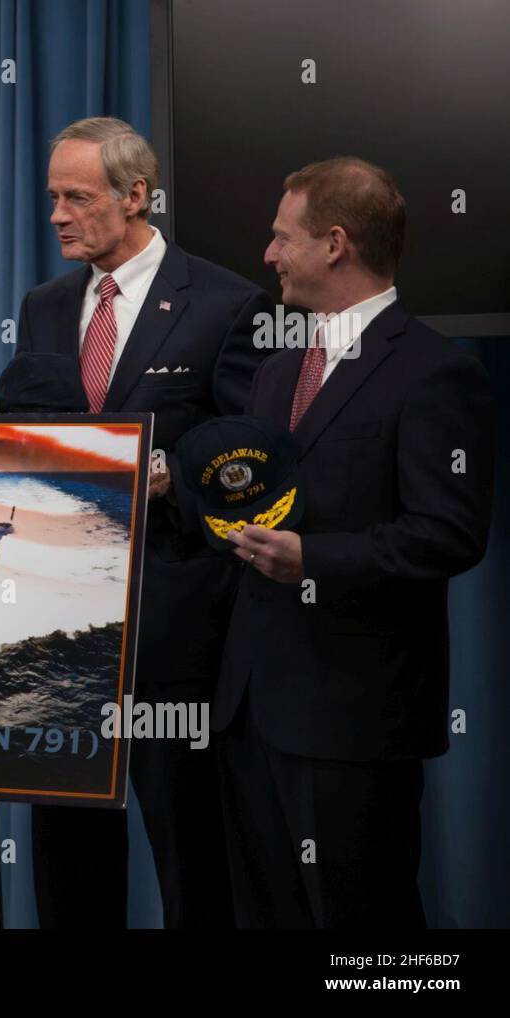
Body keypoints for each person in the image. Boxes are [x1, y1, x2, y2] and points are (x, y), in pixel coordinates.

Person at [210, 157, 493, 927]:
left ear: (334, 244)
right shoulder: (275, 372)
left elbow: (449, 534)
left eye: (281, 237)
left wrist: (315, 559)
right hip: (251, 710)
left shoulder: (433, 372)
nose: (267, 255)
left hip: (353, 721)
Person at [17, 117, 274, 928]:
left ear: (135, 196)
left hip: (174, 635)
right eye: (52, 196)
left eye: (77, 197)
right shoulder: (46, 306)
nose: (57, 214)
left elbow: (251, 474)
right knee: (68, 870)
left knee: (192, 859)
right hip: (58, 633)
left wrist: (173, 484)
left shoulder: (228, 305)